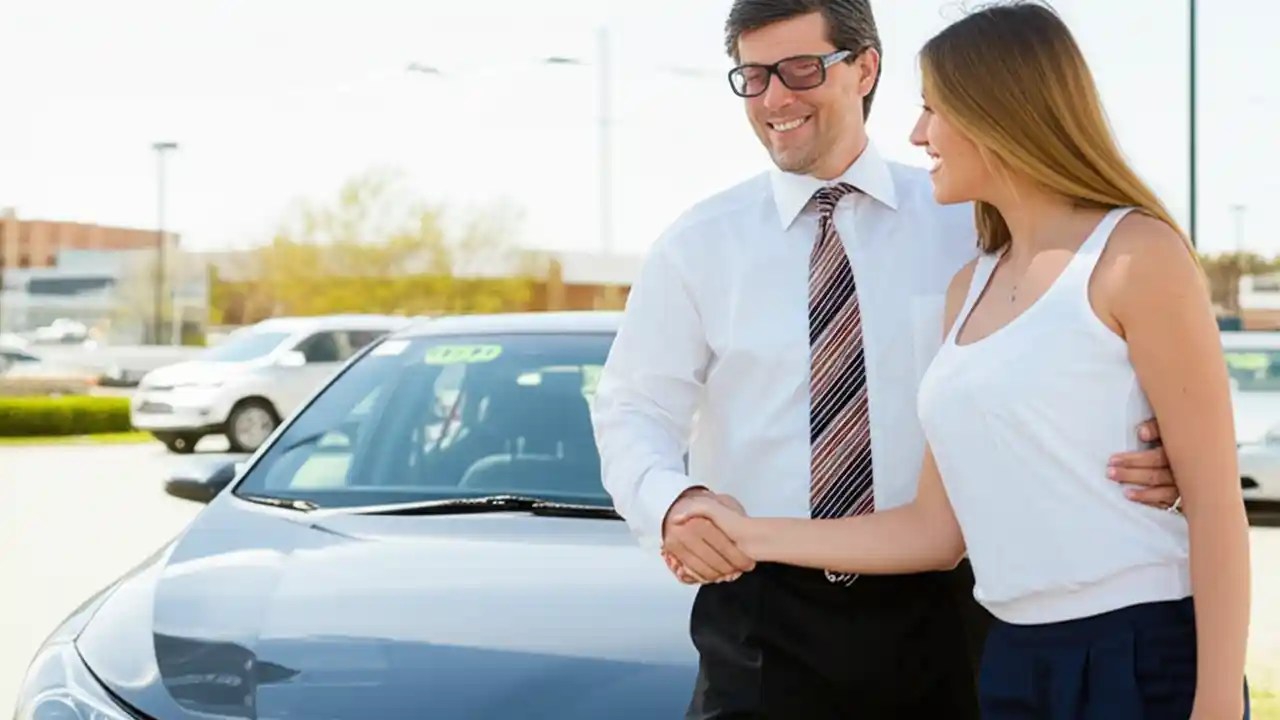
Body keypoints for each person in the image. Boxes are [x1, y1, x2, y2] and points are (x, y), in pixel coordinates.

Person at [591, 0, 1186, 717]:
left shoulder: (972, 222)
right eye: (752, 77)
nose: (775, 98)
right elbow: (632, 406)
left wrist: (1165, 449)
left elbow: (1070, 364)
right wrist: (675, 503)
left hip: (956, 603)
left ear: (864, 66)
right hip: (762, 612)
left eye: (800, 69)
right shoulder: (696, 246)